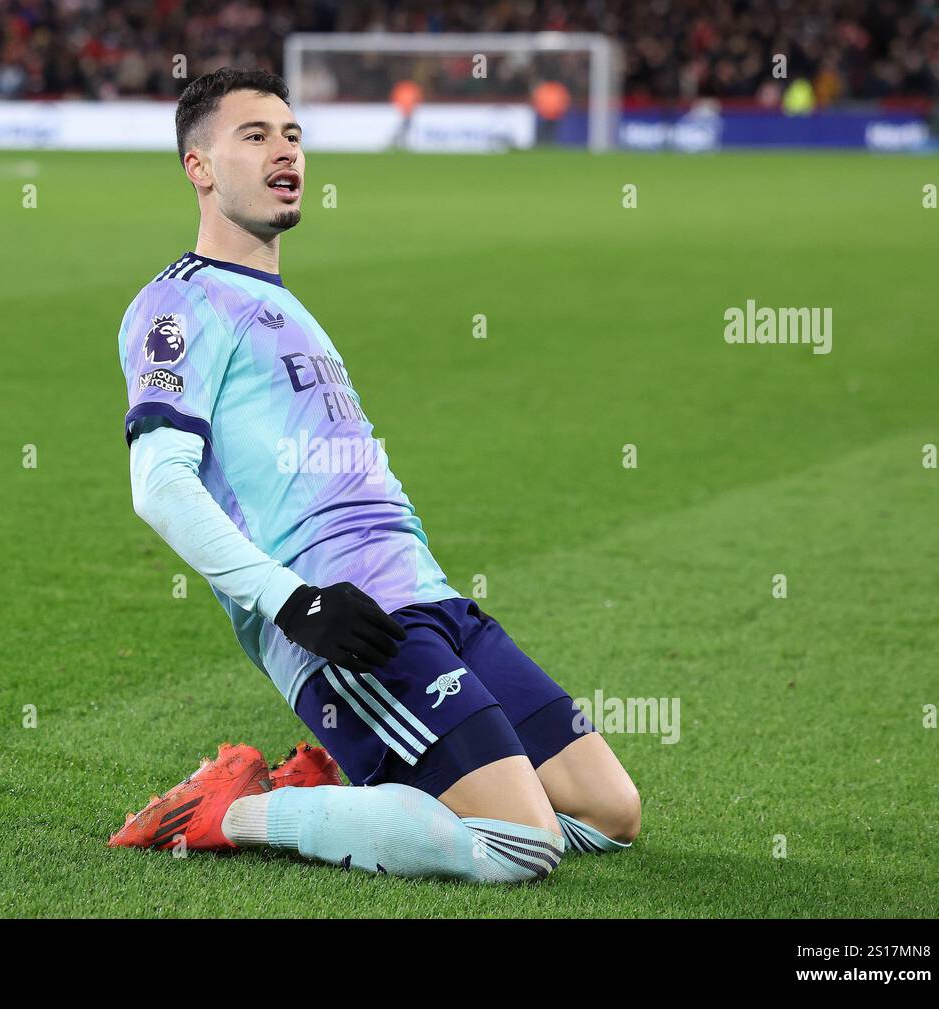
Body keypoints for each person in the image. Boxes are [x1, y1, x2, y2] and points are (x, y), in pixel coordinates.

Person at [109, 68, 640, 882]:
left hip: (431, 597)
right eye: (254, 136)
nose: (284, 151)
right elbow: (160, 485)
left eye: (292, 135)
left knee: (608, 811)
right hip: (339, 615)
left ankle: (365, 788)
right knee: (525, 844)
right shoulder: (180, 303)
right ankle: (232, 811)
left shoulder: (287, 304)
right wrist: (298, 602)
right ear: (200, 167)